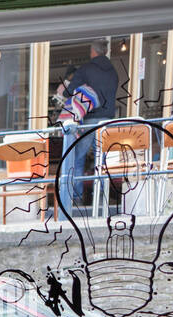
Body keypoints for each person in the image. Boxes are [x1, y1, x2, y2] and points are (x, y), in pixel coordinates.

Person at [56, 40, 119, 211]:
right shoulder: (113, 72)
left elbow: (73, 92)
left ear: (93, 51)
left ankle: (76, 197)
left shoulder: (86, 69)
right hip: (107, 120)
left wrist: (63, 90)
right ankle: (101, 195)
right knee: (102, 160)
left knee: (78, 157)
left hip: (90, 119)